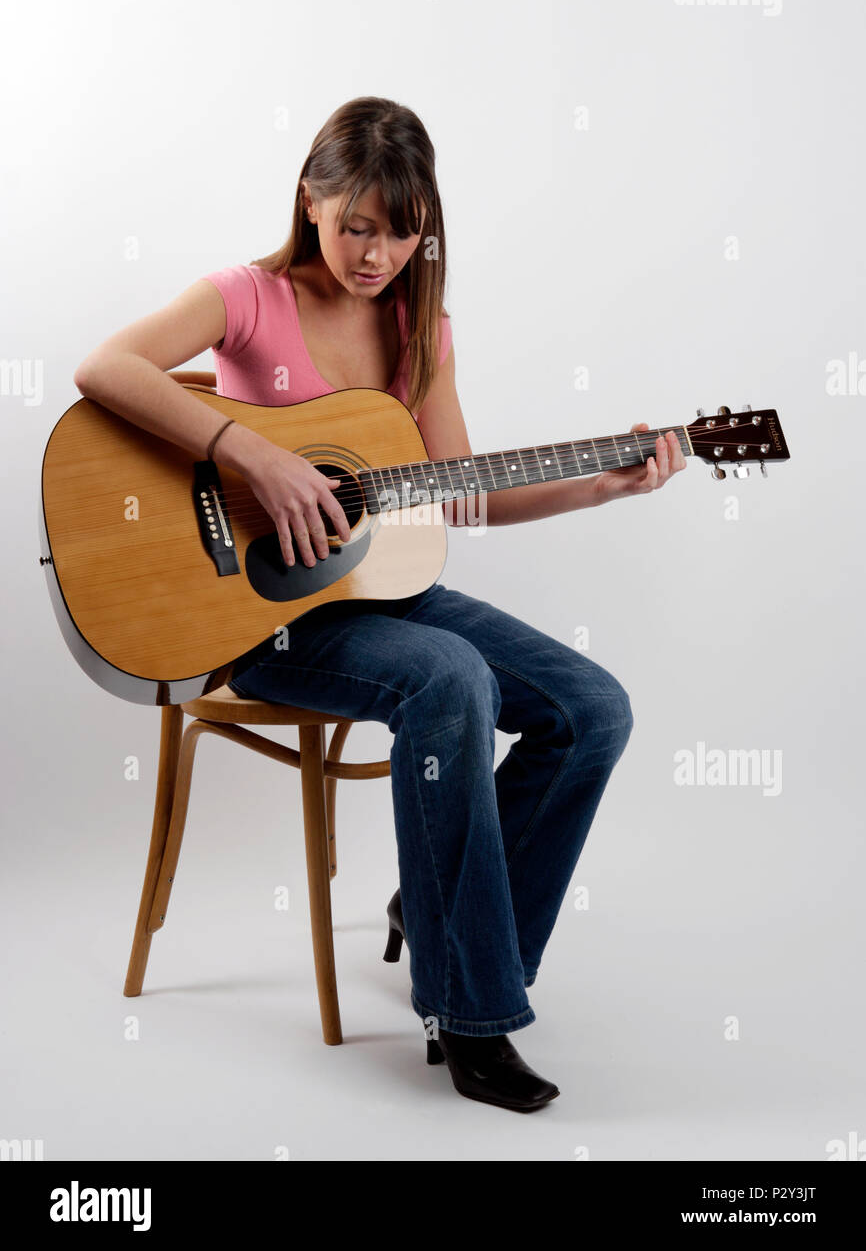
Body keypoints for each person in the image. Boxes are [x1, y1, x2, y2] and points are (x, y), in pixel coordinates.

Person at [73, 96, 686, 1114]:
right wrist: (251, 455)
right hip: (254, 615)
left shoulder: (418, 327)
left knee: (591, 707)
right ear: (310, 199)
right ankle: (471, 1017)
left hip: (382, 593)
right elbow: (105, 367)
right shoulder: (248, 296)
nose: (376, 254)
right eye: (357, 223)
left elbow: (461, 489)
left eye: (399, 232)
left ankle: (437, 912)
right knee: (450, 677)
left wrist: (598, 482)